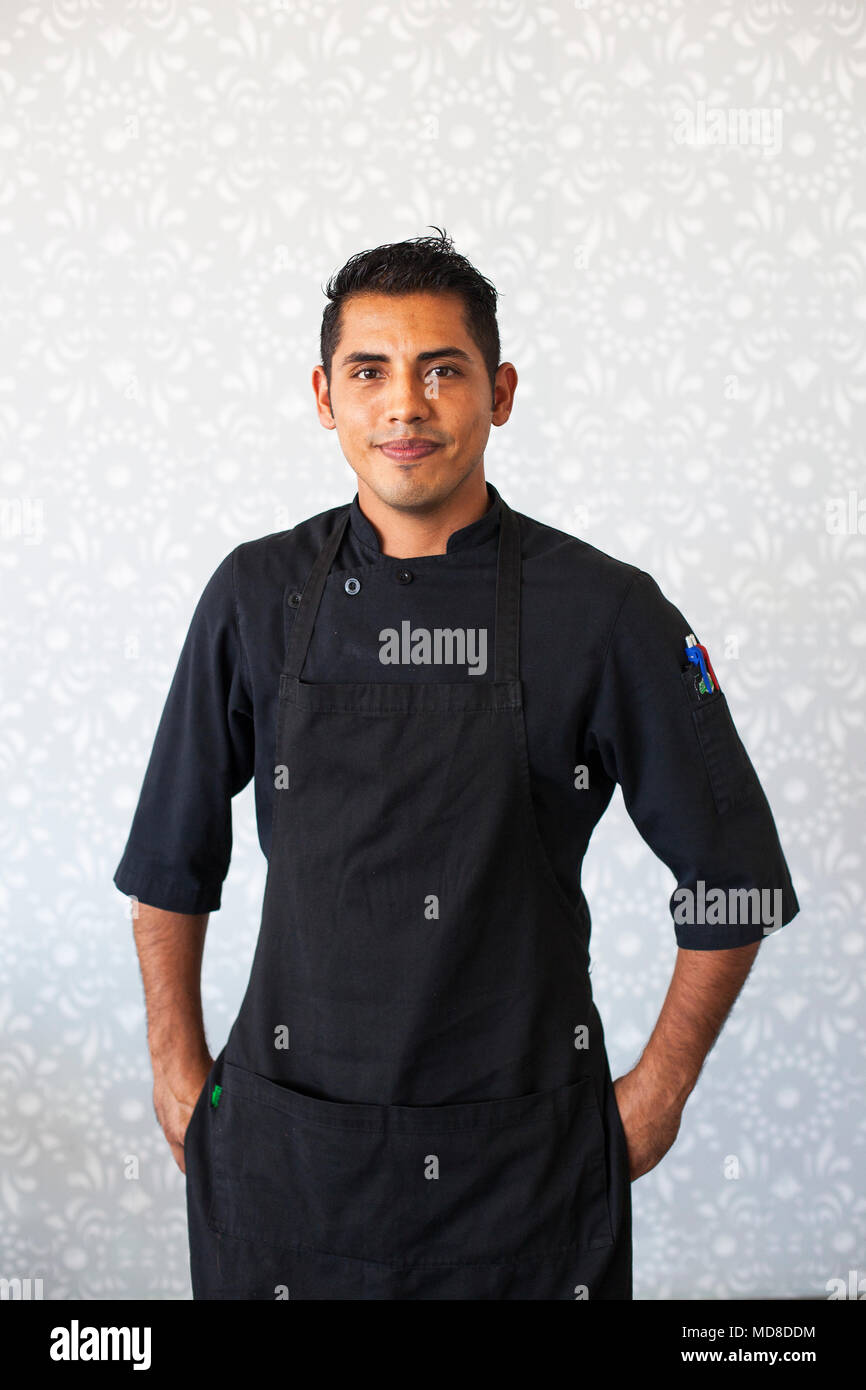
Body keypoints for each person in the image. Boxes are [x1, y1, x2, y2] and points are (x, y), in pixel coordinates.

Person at [114, 229, 799, 1300]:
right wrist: (175, 1075)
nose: (405, 405)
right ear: (323, 395)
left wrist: (655, 1097)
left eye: (442, 369)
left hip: (524, 1173)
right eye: (369, 372)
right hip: (286, 1157)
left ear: (500, 391)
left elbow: (735, 876)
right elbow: (168, 865)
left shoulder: (606, 611)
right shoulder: (254, 597)